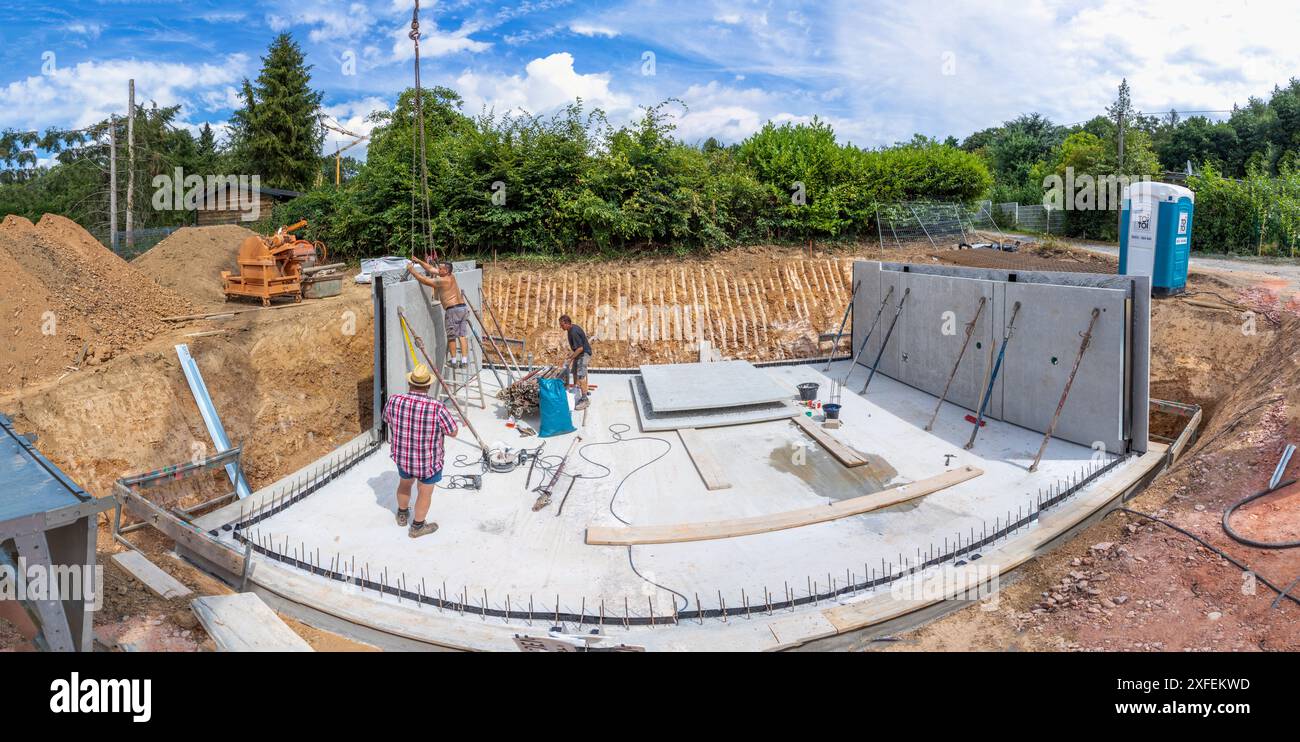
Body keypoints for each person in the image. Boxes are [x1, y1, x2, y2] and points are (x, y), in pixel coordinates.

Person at [382, 363, 458, 538]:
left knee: (405, 483)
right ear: (428, 386)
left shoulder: (394, 400)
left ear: (410, 383)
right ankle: (417, 527)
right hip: (428, 461)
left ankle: (402, 514)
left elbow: (386, 418)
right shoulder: (437, 407)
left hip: (403, 457)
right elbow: (453, 431)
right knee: (424, 491)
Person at [408, 257, 470, 367]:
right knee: (462, 335)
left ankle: (454, 361)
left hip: (453, 310)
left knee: (451, 336)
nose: (438, 270)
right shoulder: (450, 276)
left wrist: (412, 271)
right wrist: (419, 261)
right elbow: (431, 269)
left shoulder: (442, 280)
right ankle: (464, 361)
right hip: (463, 308)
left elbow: (424, 280)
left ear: (446, 270)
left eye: (440, 269)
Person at [559, 314, 592, 410]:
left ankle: (585, 399)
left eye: (562, 325)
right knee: (574, 372)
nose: (561, 327)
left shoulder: (573, 332)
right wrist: (571, 356)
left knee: (581, 376)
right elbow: (577, 348)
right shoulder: (570, 330)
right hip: (579, 353)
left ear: (567, 323)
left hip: (584, 354)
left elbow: (580, 348)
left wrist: (571, 358)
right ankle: (577, 389)